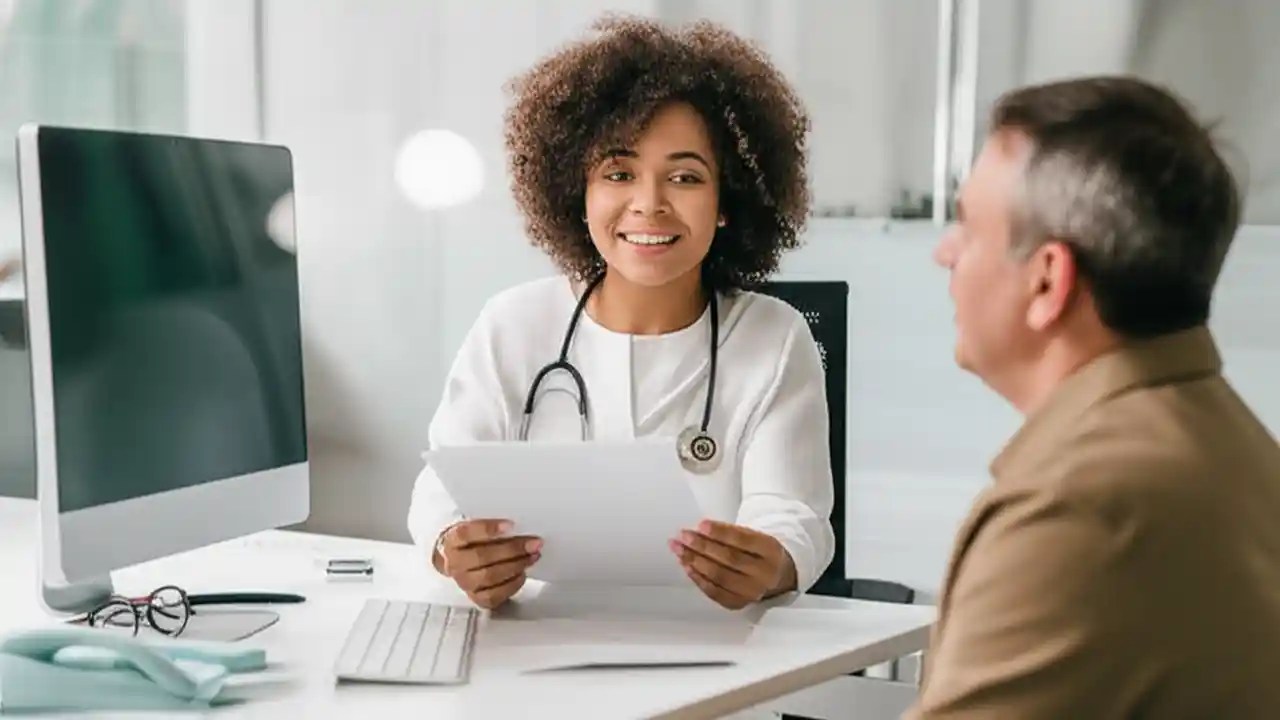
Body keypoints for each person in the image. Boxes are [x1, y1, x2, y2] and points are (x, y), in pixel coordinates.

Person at [406, 16, 834, 612]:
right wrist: (454, 546)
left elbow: (795, 516)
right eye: (619, 173)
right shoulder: (514, 323)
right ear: (578, 194)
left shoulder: (773, 336)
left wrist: (770, 564)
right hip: (535, 650)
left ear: (726, 204)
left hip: (718, 662)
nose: (649, 203)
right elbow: (440, 487)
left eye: (685, 177)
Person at [909, 76, 1280, 718]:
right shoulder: (1233, 446)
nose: (945, 254)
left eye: (967, 229)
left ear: (1048, 279)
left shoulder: (1078, 505)